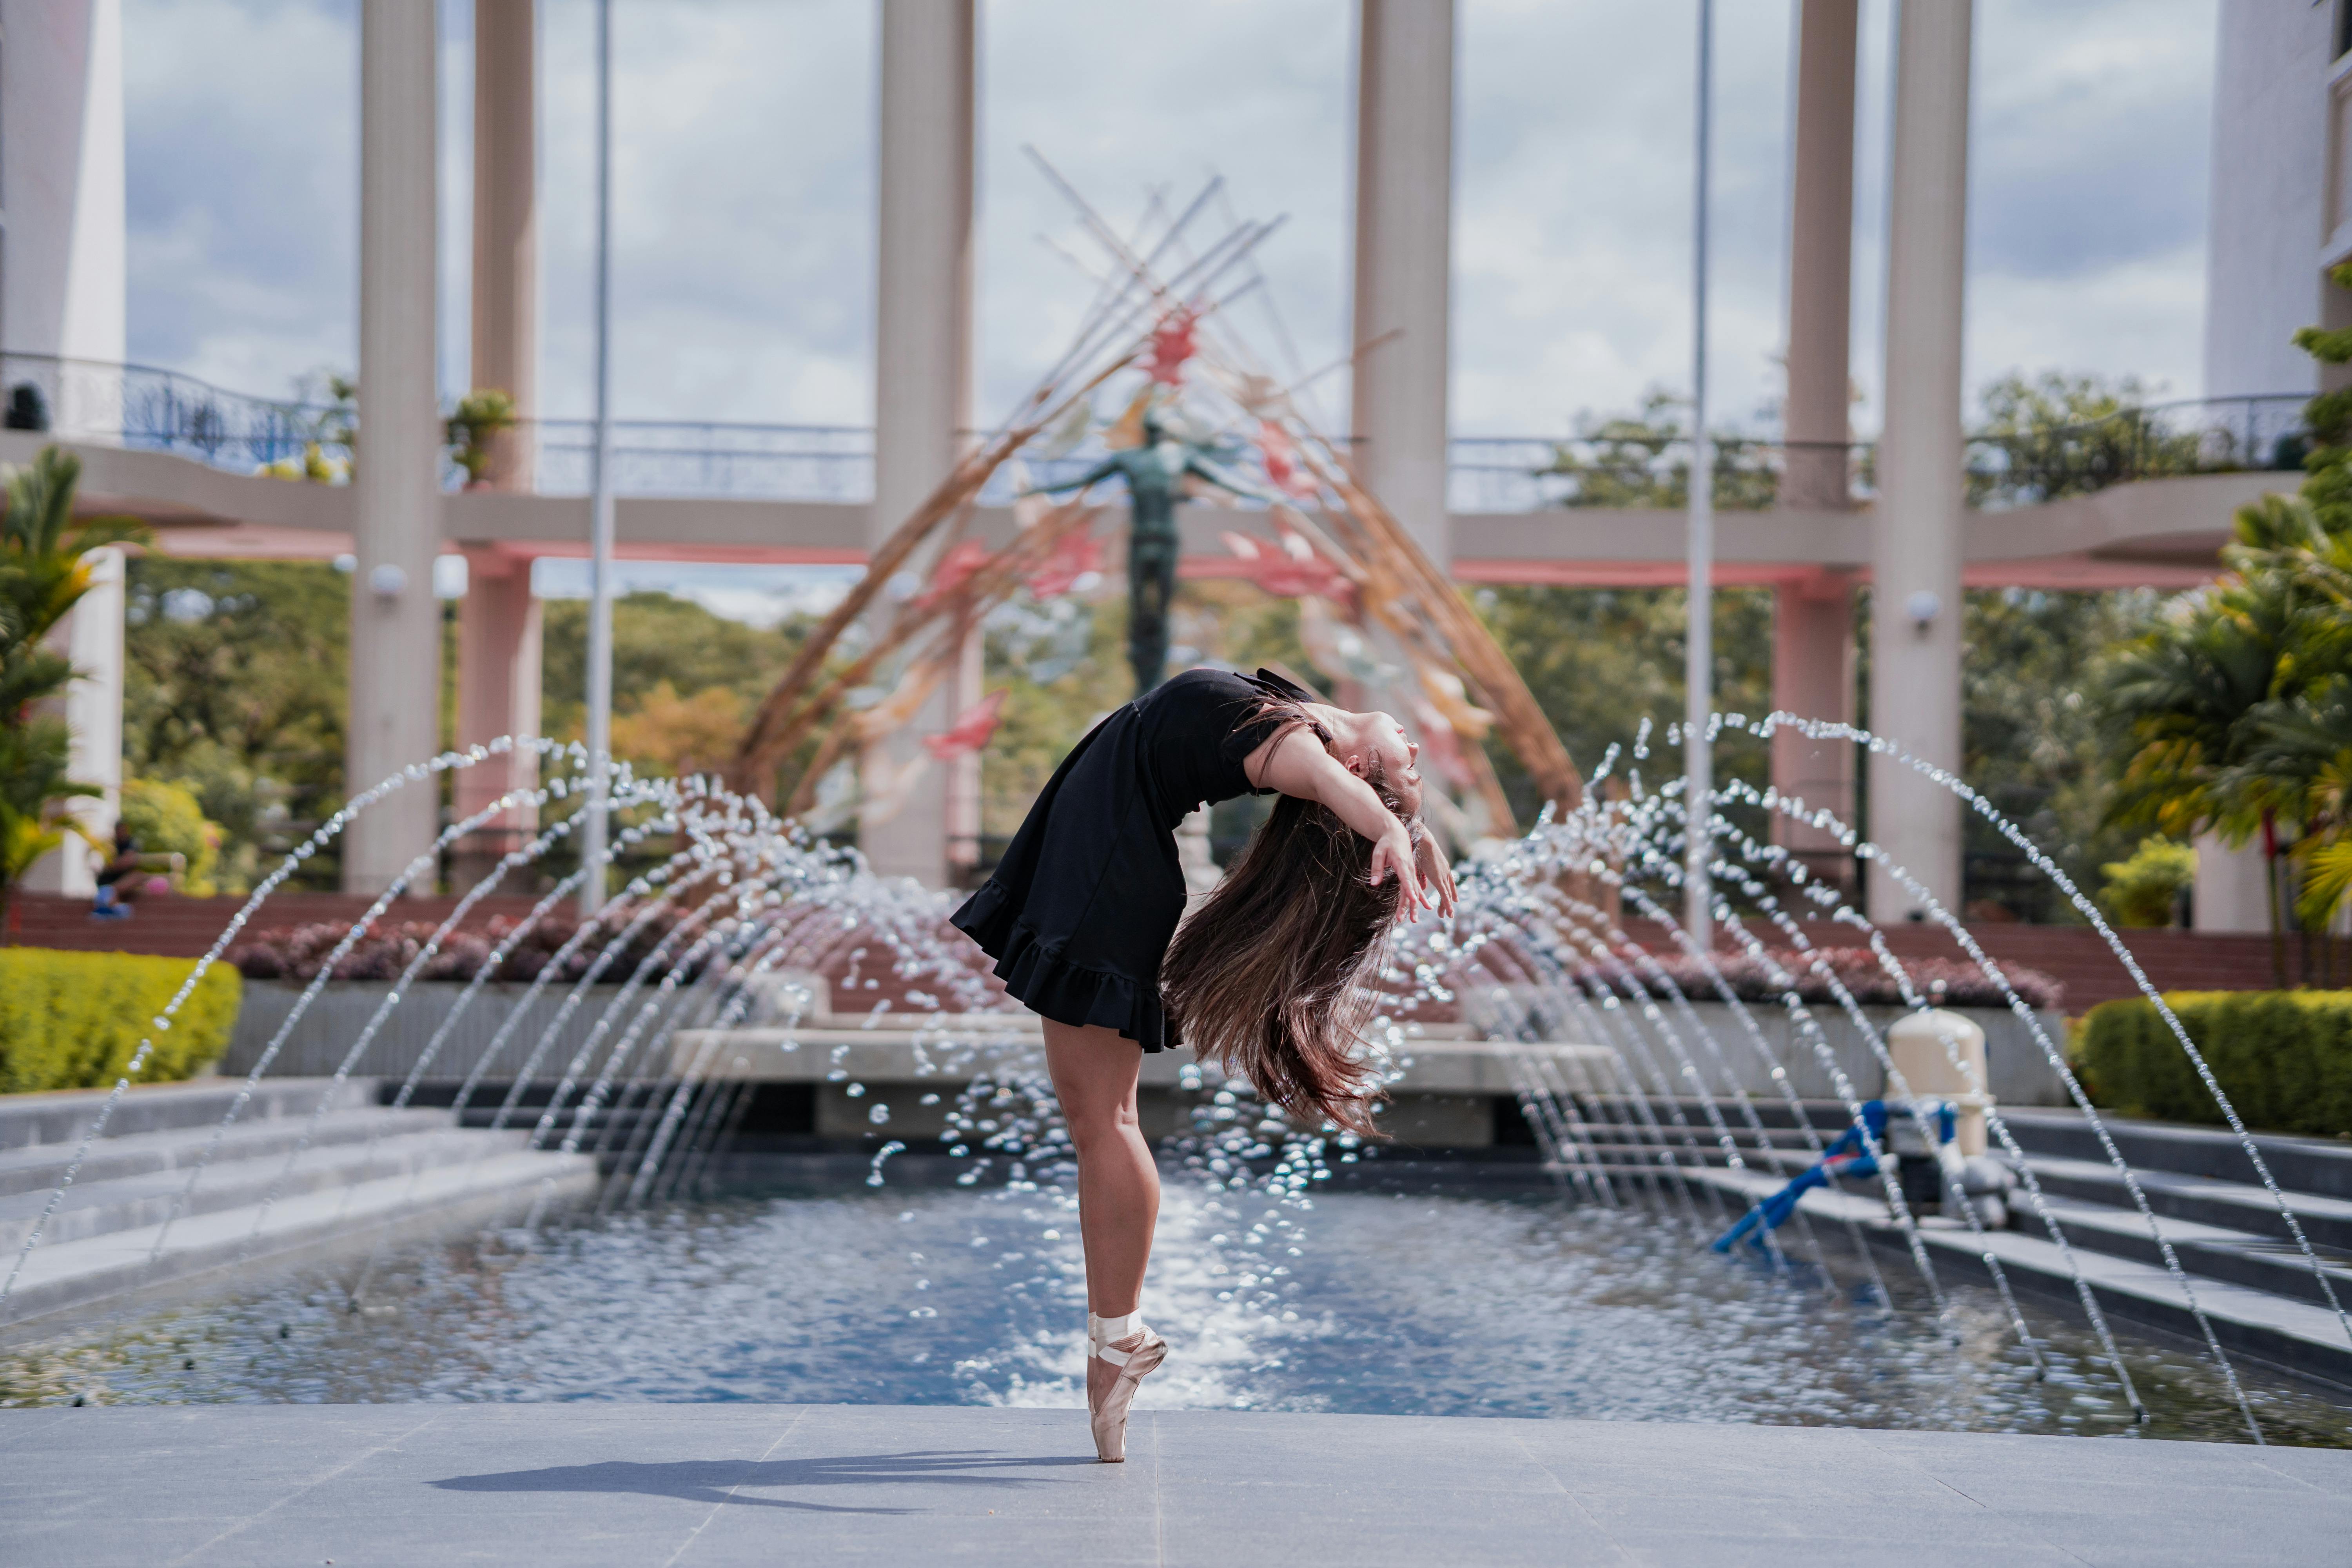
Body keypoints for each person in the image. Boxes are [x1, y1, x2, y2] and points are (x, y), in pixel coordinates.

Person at [949, 666, 1457, 1461]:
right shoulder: (1295, 715)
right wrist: (1408, 828)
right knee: (1100, 1120)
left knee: (1103, 1122)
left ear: (1359, 772)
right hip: (1100, 865)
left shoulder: (1300, 750)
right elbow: (1337, 782)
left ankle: (1117, 1338)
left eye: (1403, 776)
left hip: (1103, 878)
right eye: (1410, 778)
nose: (1416, 758)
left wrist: (1389, 826)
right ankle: (1115, 1341)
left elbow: (1327, 782)